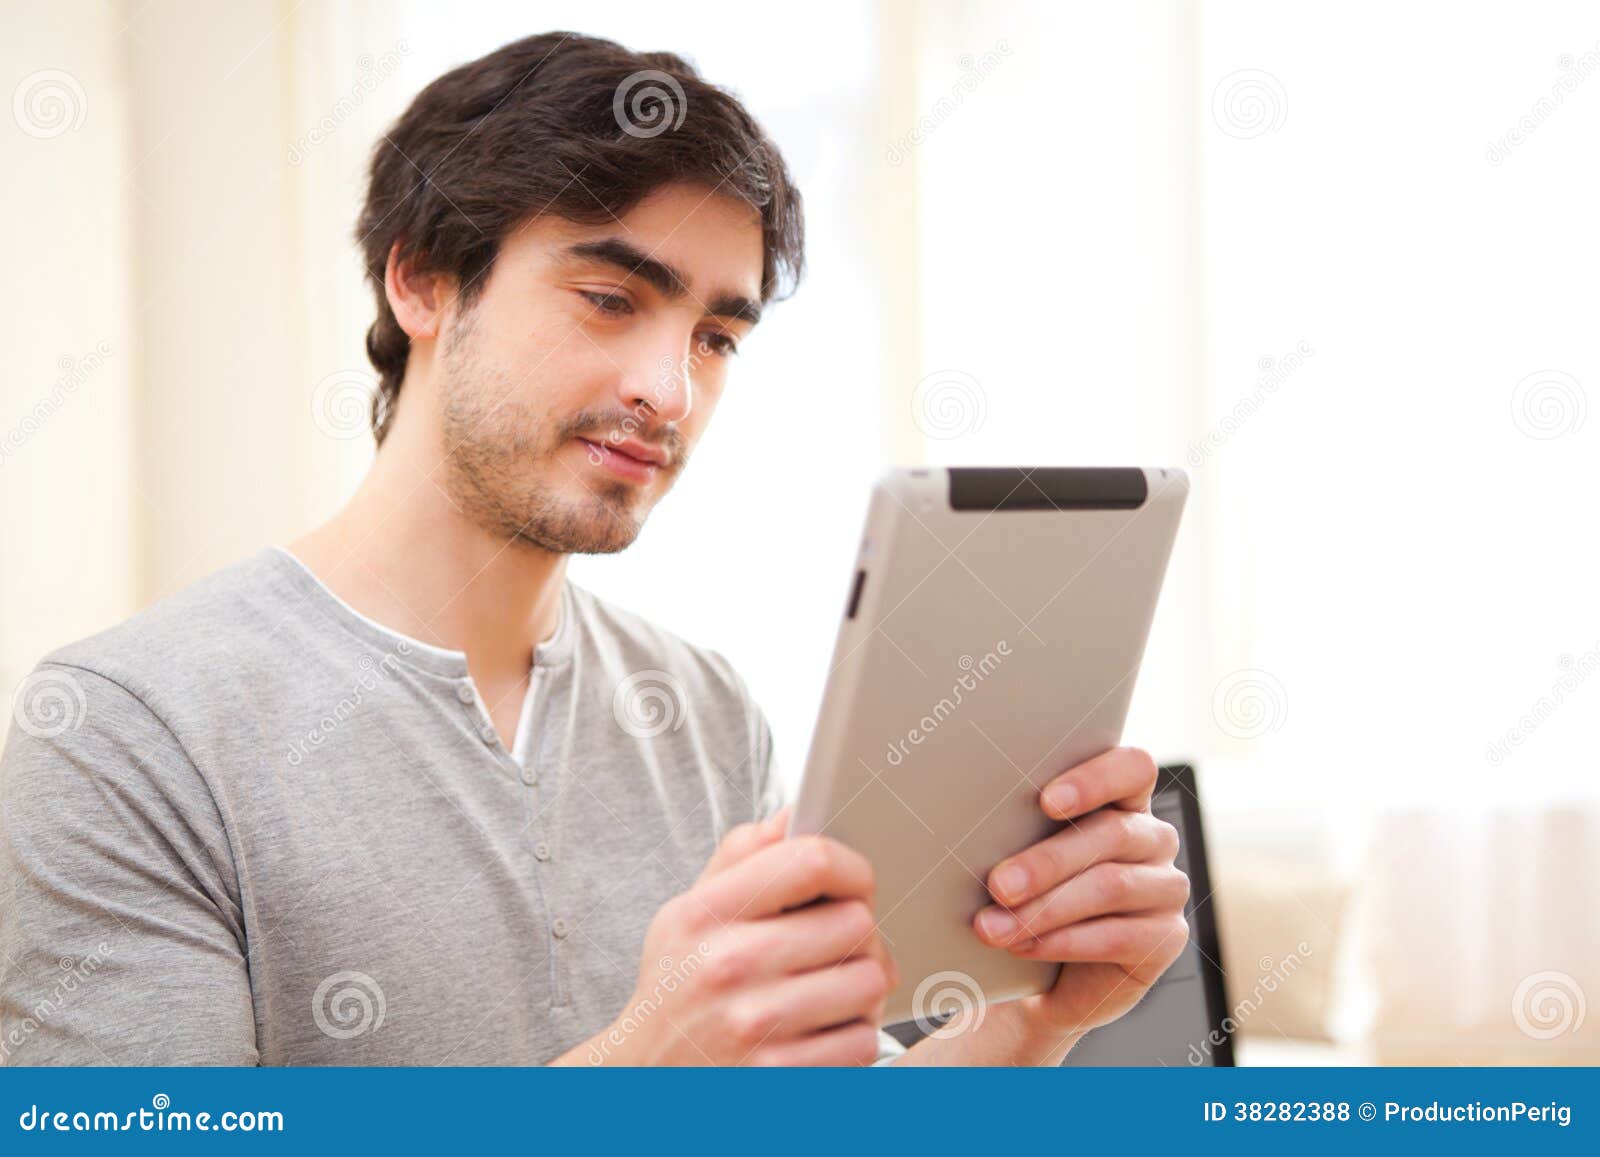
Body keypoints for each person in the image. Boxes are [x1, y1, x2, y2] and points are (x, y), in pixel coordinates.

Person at [0, 31, 1188, 1066]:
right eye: (613, 300)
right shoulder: (125, 734)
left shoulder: (708, 713)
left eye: (716, 335)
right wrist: (647, 1067)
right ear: (422, 279)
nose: (667, 390)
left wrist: (1030, 1027)